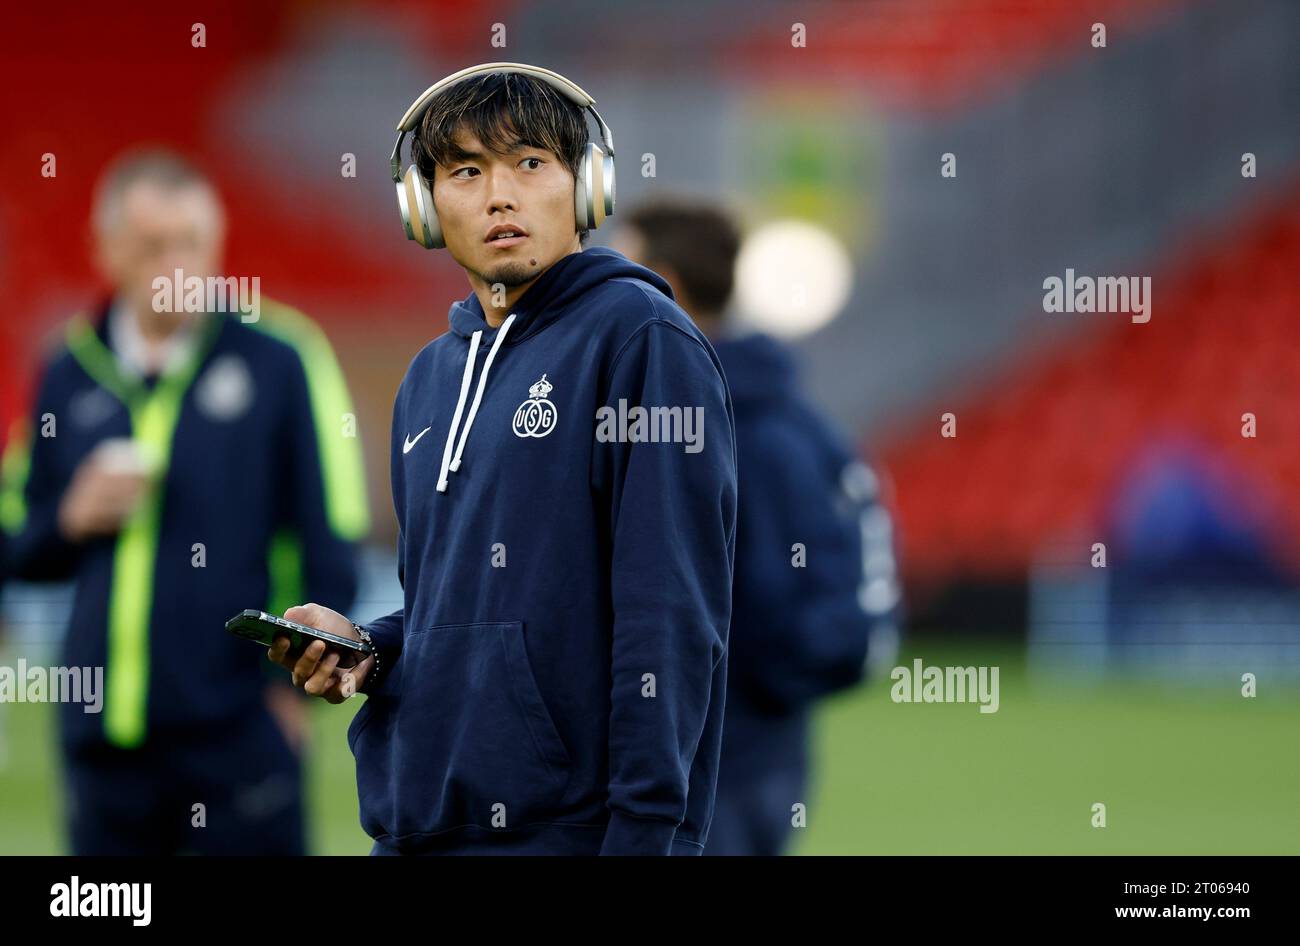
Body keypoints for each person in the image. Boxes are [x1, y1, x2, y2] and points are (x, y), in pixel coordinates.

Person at [269, 63, 738, 856]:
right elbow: (453, 608)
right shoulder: (428, 378)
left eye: (529, 163)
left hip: (570, 837)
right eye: (465, 171)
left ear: (587, 187)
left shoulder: (640, 339)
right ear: (422, 206)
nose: (499, 195)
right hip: (418, 827)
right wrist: (368, 650)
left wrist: (645, 837)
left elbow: (671, 616)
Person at [0, 150, 368, 854]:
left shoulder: (280, 357)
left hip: (239, 739)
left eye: (193, 243)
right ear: (107, 250)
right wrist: (71, 517)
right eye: (153, 246)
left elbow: (334, 534)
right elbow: (16, 542)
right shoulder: (67, 369)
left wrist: (289, 697)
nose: (178, 266)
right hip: (102, 745)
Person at [613, 197, 902, 855]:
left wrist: (726, 701)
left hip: (726, 775)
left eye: (620, 271)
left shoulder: (750, 435)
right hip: (713, 766)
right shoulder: (766, 419)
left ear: (666, 287)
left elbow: (830, 625)